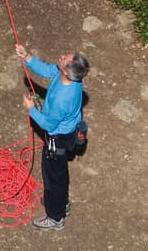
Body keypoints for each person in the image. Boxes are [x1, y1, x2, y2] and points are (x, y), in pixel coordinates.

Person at [16, 42, 90, 231]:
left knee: (53, 179)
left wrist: (31, 109)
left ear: (67, 71)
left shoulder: (62, 99)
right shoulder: (71, 78)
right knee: (59, 175)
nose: (63, 54)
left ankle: (55, 217)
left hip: (58, 138)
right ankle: (59, 202)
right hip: (67, 133)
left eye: (66, 58)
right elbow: (49, 70)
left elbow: (48, 125)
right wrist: (27, 57)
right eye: (67, 54)